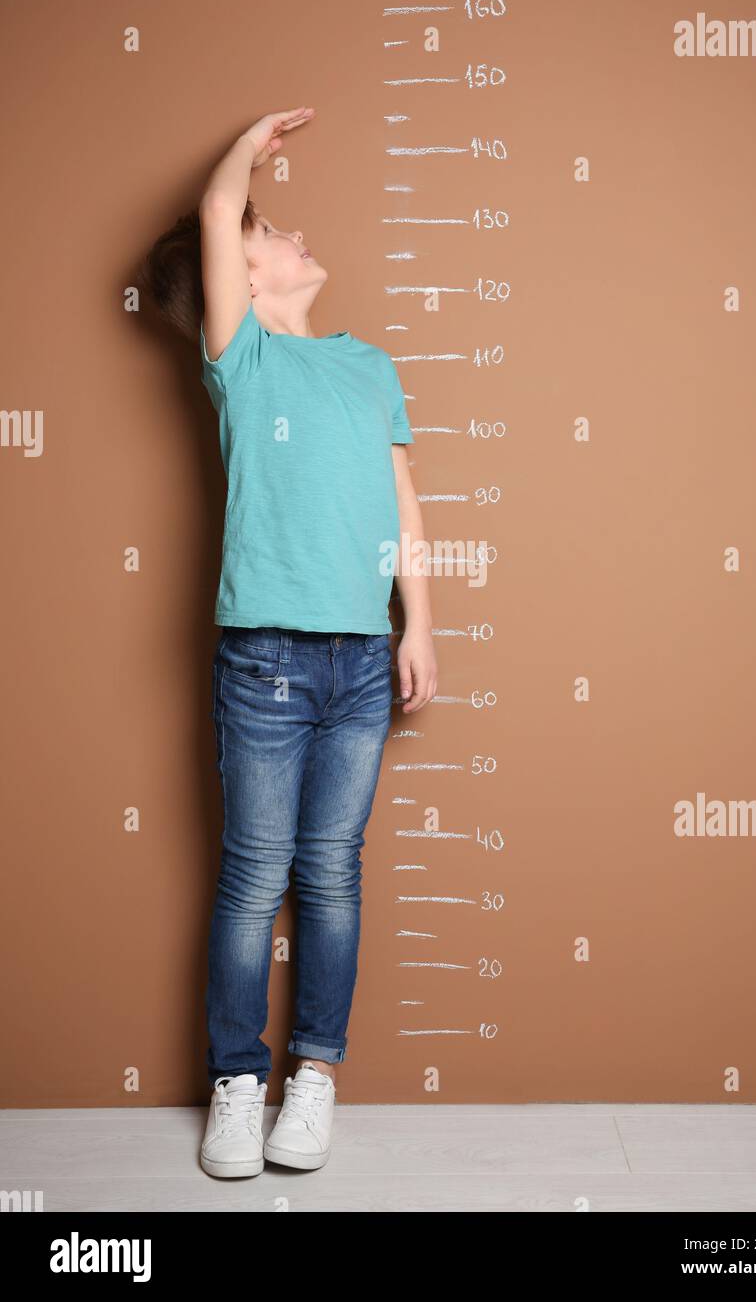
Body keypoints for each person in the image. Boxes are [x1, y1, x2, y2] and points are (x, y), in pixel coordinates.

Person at [138, 108, 437, 1178]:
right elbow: (219, 205)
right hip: (263, 658)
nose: (293, 232)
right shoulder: (242, 360)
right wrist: (251, 142)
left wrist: (422, 624)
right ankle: (233, 1080)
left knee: (333, 875)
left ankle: (312, 1078)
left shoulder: (368, 365)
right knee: (253, 876)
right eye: (275, 229)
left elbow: (401, 503)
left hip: (359, 660)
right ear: (244, 276)